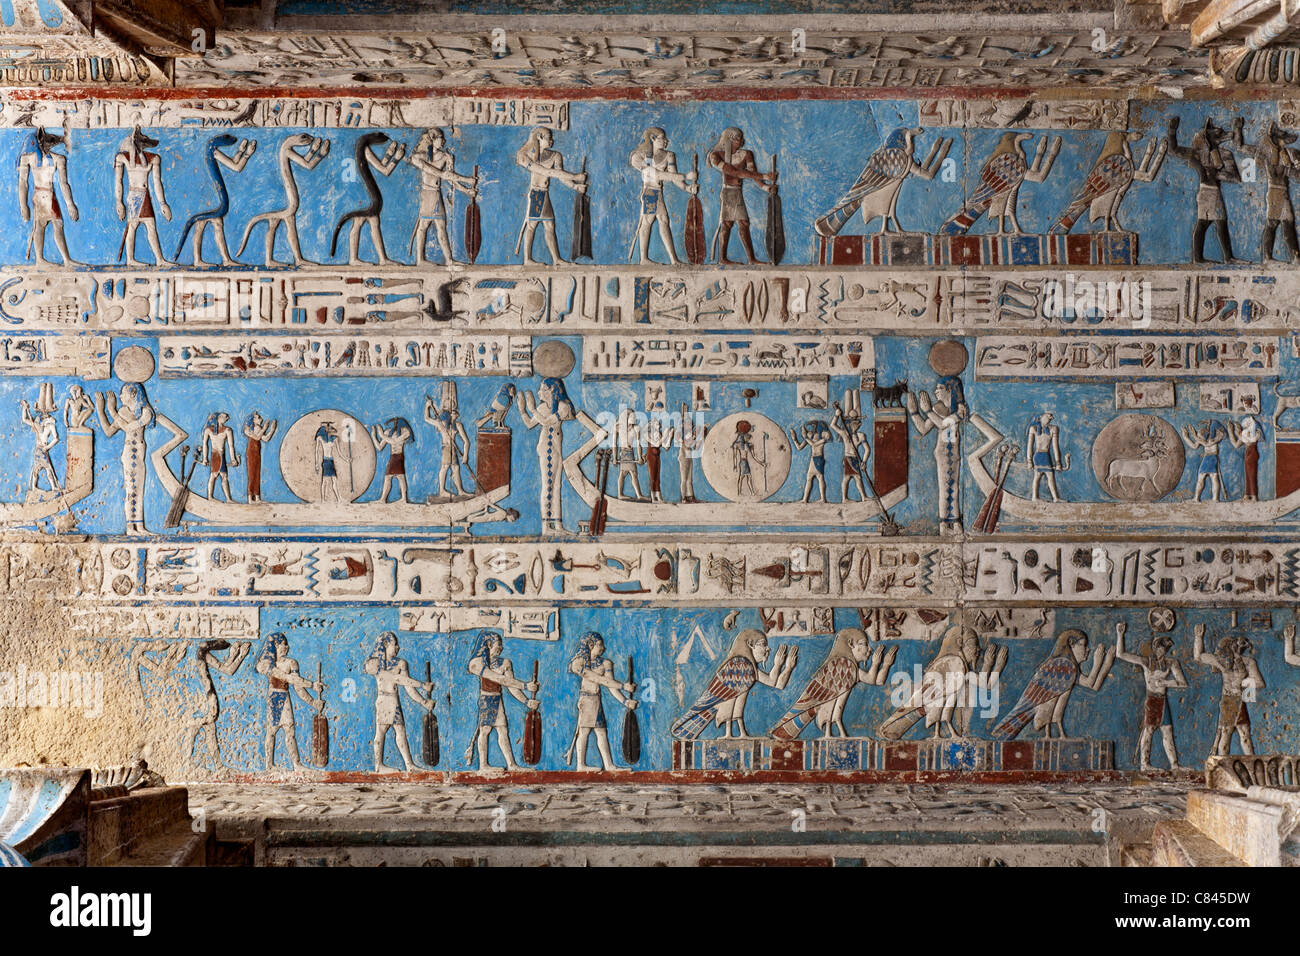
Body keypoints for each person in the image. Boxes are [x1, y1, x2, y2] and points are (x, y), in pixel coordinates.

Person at [1166, 116, 1245, 264]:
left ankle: (1227, 257)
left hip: (1214, 190)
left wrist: (1215, 173)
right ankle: (1200, 258)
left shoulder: (1225, 154)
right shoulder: (1198, 153)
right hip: (1206, 190)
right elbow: (1173, 150)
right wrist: (1172, 132)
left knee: (1219, 222)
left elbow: (1235, 178)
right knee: (1204, 222)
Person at [1115, 621, 1188, 772]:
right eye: (1159, 648)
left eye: (1164, 648)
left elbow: (1183, 683)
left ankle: (1174, 765)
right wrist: (1120, 634)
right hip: (1152, 699)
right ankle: (1144, 764)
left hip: (1162, 700)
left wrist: (1166, 682)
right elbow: (1120, 654)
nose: (1161, 651)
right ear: (1155, 648)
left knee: (1167, 730)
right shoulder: (1146, 661)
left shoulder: (1171, 663)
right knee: (1149, 730)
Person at [465, 630, 539, 774]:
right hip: (486, 699)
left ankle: (511, 764)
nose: (501, 649)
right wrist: (525, 685)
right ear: (488, 644)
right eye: (498, 646)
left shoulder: (505, 663)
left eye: (501, 646)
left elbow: (510, 686)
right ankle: (483, 765)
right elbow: (499, 679)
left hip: (497, 699)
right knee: (485, 730)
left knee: (503, 731)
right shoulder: (476, 663)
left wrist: (526, 701)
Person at [565, 632, 636, 772]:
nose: (603, 647)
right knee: (584, 731)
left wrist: (625, 701)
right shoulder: (579, 662)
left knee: (601, 732)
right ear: (590, 645)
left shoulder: (605, 663)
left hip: (596, 700)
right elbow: (597, 679)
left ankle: (608, 765)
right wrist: (622, 685)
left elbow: (610, 686)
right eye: (599, 644)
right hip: (587, 700)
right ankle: (581, 764)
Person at [515, 127, 587, 266]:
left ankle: (556, 259)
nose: (552, 140)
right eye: (548, 137)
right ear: (539, 138)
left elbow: (560, 175)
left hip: (544, 194)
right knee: (532, 225)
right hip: (536, 194)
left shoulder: (555, 155)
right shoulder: (527, 156)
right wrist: (575, 177)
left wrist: (575, 186)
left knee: (549, 225)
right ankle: (528, 259)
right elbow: (547, 172)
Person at [364, 631, 434, 772]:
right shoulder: (375, 663)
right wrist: (421, 684)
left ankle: (409, 765)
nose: (398, 648)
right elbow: (396, 679)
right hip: (384, 700)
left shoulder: (401, 663)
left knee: (400, 732)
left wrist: (423, 702)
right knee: (381, 732)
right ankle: (379, 765)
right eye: (395, 645)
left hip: (394, 701)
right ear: (385, 645)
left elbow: (408, 688)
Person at [906, 377, 968, 535]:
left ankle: (953, 523)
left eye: (939, 388)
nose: (935, 392)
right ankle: (945, 524)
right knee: (945, 488)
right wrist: (914, 411)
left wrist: (927, 411)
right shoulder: (938, 409)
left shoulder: (960, 409)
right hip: (942, 453)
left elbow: (945, 424)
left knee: (952, 488)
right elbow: (923, 429)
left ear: (950, 390)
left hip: (952, 454)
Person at [706, 127, 777, 265]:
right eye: (738, 138)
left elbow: (752, 174)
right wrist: (764, 176)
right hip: (728, 193)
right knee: (727, 224)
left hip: (737, 192)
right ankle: (723, 258)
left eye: (741, 138)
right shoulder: (715, 156)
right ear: (728, 140)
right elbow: (734, 172)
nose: (742, 141)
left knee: (744, 223)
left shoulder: (746, 154)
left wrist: (766, 187)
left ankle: (751, 259)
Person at [255, 632, 323, 771]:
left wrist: (313, 702)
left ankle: (296, 764)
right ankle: (269, 765)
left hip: (285, 698)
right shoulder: (268, 664)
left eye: (287, 644)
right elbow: (288, 678)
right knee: (271, 732)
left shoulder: (291, 663)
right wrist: (311, 684)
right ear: (275, 646)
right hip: (274, 699)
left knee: (290, 731)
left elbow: (298, 688)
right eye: (282, 644)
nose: (286, 647)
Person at [629, 127, 698, 264]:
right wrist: (685, 176)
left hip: (658, 192)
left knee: (663, 221)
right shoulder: (640, 156)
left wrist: (687, 188)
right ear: (653, 139)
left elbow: (673, 178)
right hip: (650, 192)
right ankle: (644, 259)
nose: (666, 141)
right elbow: (657, 174)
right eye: (662, 139)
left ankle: (673, 259)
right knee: (648, 222)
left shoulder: (669, 155)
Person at [409, 127, 478, 264]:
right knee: (423, 225)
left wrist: (466, 190)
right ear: (432, 139)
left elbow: (450, 179)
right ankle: (420, 260)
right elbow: (429, 169)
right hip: (427, 193)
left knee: (441, 226)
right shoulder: (420, 156)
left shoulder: (446, 156)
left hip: (436, 193)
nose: (444, 140)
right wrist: (465, 179)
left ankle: (449, 260)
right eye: (441, 137)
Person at [1193, 625, 1264, 757]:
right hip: (1227, 700)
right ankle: (1223, 766)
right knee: (1226, 734)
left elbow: (1260, 683)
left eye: (1241, 644)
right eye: (1236, 644)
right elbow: (1199, 657)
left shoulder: (1249, 662)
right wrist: (1198, 637)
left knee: (1244, 734)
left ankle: (1252, 764)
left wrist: (1242, 683)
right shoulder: (1222, 661)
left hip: (1239, 698)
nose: (1238, 647)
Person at [517, 377, 576, 535]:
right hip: (547, 448)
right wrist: (523, 410)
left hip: (553, 447)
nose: (539, 392)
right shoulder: (543, 407)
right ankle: (546, 527)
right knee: (548, 485)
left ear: (552, 390)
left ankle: (557, 526)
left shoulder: (563, 407)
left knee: (556, 486)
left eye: (543, 389)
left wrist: (531, 408)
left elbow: (546, 421)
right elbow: (530, 424)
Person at [93, 383, 153, 535]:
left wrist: (111, 411)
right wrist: (101, 410)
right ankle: (130, 527)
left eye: (123, 393)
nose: (120, 397)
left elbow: (128, 427)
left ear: (133, 393)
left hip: (138, 453)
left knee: (138, 489)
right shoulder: (123, 412)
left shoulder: (146, 412)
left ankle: (138, 526)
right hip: (129, 453)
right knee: (131, 489)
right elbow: (108, 431)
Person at [180, 639, 250, 770]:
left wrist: (234, 653)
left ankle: (216, 765)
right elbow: (228, 670)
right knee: (197, 730)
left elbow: (225, 667)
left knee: (209, 731)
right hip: (205, 698)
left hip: (201, 698)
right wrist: (241, 654)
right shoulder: (201, 654)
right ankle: (188, 762)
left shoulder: (201, 653)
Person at [17, 128, 79, 266]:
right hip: (41, 194)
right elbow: (23, 183)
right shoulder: (28, 158)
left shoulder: (58, 159)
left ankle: (66, 259)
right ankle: (40, 259)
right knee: (41, 225)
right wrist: (23, 205)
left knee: (58, 224)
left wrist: (70, 204)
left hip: (50, 195)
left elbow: (64, 184)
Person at [113, 126, 172, 267]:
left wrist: (163, 203)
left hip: (144, 195)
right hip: (134, 195)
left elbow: (157, 183)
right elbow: (118, 182)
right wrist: (118, 202)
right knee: (134, 226)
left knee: (149, 225)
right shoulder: (122, 157)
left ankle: (159, 259)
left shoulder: (153, 158)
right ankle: (132, 259)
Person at [424, 385, 469, 497]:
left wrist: (465, 455)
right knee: (444, 467)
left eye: (454, 412)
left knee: (456, 468)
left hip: (453, 448)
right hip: (446, 447)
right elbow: (427, 419)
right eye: (451, 412)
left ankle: (460, 490)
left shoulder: (458, 425)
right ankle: (442, 491)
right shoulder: (441, 423)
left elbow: (466, 442)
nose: (453, 413)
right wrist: (427, 407)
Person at [19, 392, 61, 493]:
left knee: (48, 468)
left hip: (44, 448)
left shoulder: (51, 425)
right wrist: (24, 408)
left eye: (46, 411)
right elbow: (25, 419)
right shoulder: (36, 423)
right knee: (37, 468)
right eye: (42, 411)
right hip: (39, 448)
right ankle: (34, 487)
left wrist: (48, 447)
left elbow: (56, 438)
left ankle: (53, 487)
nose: (44, 413)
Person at [830, 400, 870, 502]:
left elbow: (867, 449)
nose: (855, 425)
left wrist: (864, 462)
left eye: (857, 424)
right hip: (848, 458)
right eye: (853, 424)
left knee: (857, 478)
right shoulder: (845, 434)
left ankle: (863, 497)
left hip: (855, 459)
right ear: (850, 424)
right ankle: (845, 498)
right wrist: (836, 415)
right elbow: (833, 426)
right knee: (848, 478)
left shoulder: (861, 435)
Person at [1183, 420, 1229, 502]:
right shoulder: (1206, 439)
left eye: (1200, 436)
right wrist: (1186, 437)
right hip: (1208, 458)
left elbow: (1206, 444)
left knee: (1209, 477)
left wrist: (1194, 436)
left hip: (1211, 458)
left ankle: (1213, 498)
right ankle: (1200, 498)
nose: (1199, 437)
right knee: (1210, 477)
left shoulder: (1213, 439)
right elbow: (1194, 446)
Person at [371, 417, 414, 503]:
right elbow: (379, 447)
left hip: (398, 456)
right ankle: (384, 499)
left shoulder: (405, 431)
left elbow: (395, 441)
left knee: (399, 476)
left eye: (396, 421)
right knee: (390, 476)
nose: (394, 423)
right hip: (393, 456)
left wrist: (382, 435)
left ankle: (402, 498)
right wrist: (373, 435)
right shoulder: (389, 432)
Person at [200, 411, 241, 503]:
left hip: (222, 454)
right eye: (224, 416)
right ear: (218, 418)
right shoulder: (208, 430)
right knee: (214, 475)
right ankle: (210, 496)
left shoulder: (228, 430)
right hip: (214, 454)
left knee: (224, 476)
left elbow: (231, 446)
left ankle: (228, 498)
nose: (227, 418)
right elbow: (205, 445)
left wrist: (233, 459)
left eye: (226, 417)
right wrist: (205, 458)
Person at [1026, 411, 1065, 502]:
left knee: (1050, 476)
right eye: (1048, 416)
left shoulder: (1053, 429)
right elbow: (1029, 446)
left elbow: (1055, 447)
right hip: (1038, 455)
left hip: (1046, 455)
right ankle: (1035, 497)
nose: (1050, 418)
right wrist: (1029, 460)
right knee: (1038, 476)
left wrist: (1058, 462)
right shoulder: (1034, 428)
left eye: (1051, 417)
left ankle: (1055, 498)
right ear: (1041, 417)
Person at [790, 420, 831, 503]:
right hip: (813, 459)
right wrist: (794, 438)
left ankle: (822, 499)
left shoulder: (823, 437)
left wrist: (805, 437)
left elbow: (814, 444)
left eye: (814, 426)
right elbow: (799, 447)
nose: (813, 428)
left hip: (819, 458)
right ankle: (806, 499)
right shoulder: (811, 436)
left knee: (819, 477)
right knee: (811, 478)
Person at [313, 421, 353, 503]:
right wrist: (316, 464)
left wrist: (347, 459)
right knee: (325, 481)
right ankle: (323, 500)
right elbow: (316, 451)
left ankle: (338, 499)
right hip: (326, 461)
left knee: (334, 480)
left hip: (331, 461)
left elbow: (339, 452)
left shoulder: (335, 439)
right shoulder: (320, 438)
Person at [242, 411, 277, 503]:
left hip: (257, 452)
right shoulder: (249, 429)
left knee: (257, 474)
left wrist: (272, 429)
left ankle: (257, 497)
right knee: (252, 474)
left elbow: (265, 439)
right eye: (258, 417)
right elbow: (257, 437)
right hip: (251, 452)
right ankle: (250, 498)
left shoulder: (259, 428)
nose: (261, 418)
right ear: (253, 420)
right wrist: (265, 428)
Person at [1229, 414, 1264, 502]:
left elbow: (1249, 440)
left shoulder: (1256, 432)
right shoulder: (1245, 433)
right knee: (1248, 474)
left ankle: (1254, 495)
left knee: (1252, 474)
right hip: (1248, 453)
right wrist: (1231, 432)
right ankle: (1247, 494)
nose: (1245, 426)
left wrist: (1238, 433)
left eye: (1246, 424)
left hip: (1252, 453)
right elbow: (1236, 445)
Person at [644, 402, 674, 503]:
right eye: (656, 424)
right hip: (651, 455)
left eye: (658, 424)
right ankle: (653, 498)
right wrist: (665, 436)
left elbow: (666, 447)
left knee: (657, 477)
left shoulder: (660, 434)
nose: (659, 425)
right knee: (652, 476)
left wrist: (670, 436)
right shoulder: (648, 434)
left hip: (657, 455)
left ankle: (659, 497)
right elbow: (656, 444)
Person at [614, 407, 646, 501]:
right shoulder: (618, 428)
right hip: (624, 453)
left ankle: (637, 495)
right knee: (625, 473)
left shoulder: (636, 428)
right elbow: (614, 444)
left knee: (630, 473)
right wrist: (615, 457)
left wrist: (640, 457)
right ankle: (622, 494)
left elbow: (638, 444)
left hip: (630, 452)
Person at [677, 401, 705, 503]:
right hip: (683, 456)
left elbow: (695, 447)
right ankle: (684, 498)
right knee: (684, 479)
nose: (690, 426)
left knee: (689, 479)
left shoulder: (688, 434)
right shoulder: (682, 433)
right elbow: (687, 443)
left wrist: (700, 436)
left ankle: (691, 497)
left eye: (691, 424)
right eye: (688, 424)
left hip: (689, 456)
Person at [731, 419, 767, 497]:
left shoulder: (746, 444)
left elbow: (754, 456)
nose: (749, 436)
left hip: (745, 462)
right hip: (743, 462)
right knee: (743, 477)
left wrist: (761, 463)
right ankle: (742, 492)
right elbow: (735, 456)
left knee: (746, 477)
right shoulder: (738, 444)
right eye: (747, 434)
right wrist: (734, 466)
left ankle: (750, 492)